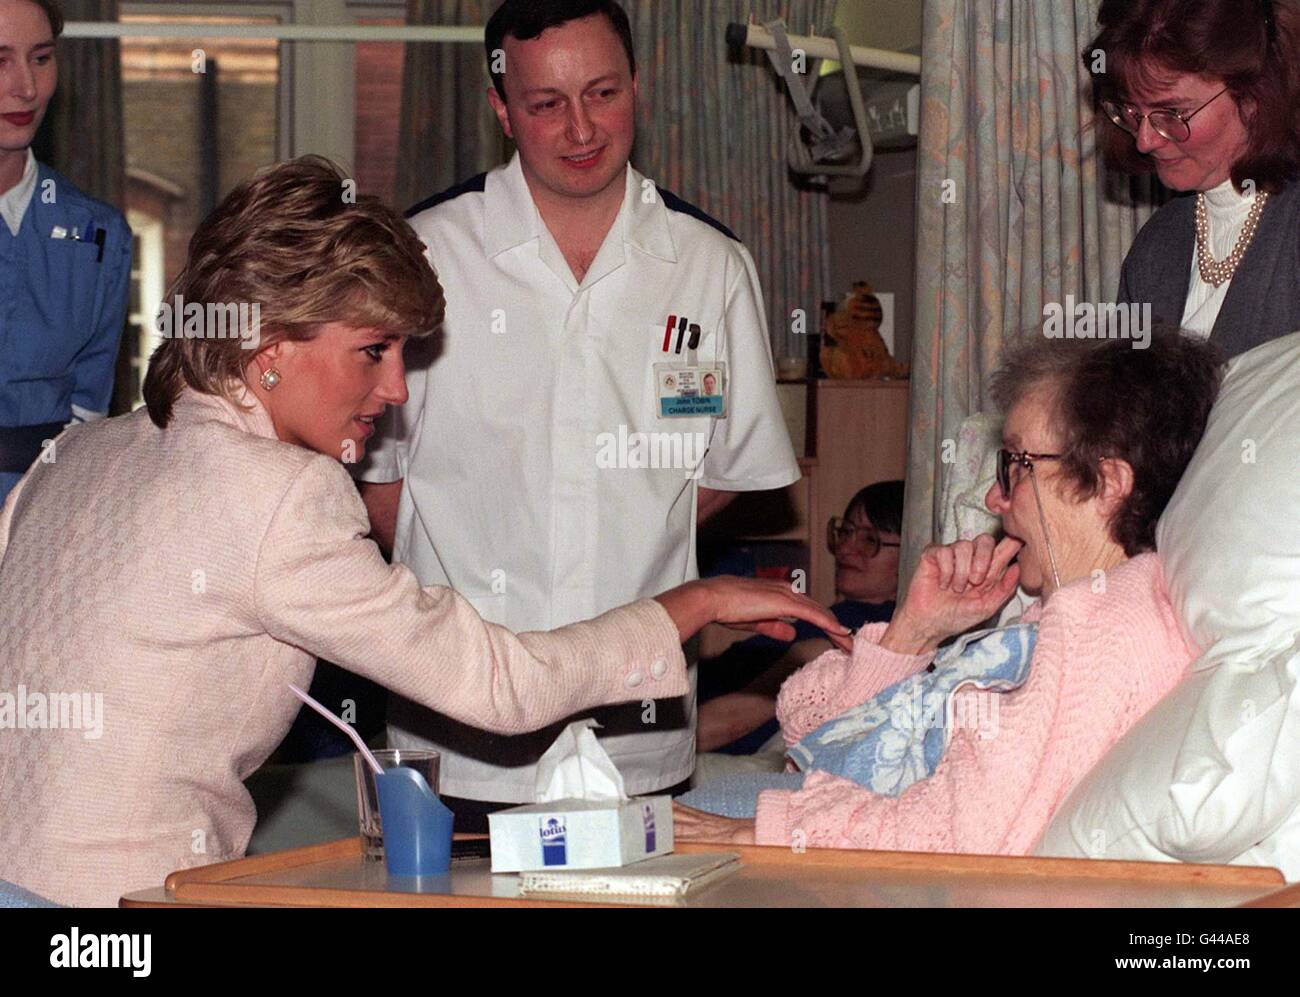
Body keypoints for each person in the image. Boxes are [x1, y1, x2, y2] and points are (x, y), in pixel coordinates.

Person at [0, 156, 849, 907]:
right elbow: (503, 688)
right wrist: (691, 603)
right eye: (374, 350)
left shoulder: (74, 452)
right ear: (268, 345)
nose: (399, 388)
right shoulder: (281, 492)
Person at [357, 0, 801, 829]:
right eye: (546, 104)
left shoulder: (710, 266)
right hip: (460, 733)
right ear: (501, 108)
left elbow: (716, 476)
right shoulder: (423, 257)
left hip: (637, 731)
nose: (581, 129)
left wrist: (625, 528)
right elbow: (382, 492)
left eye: (602, 93)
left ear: (639, 83)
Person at [673, 330, 1221, 851]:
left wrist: (767, 833)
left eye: (1015, 465)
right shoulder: (1059, 615)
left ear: (1107, 484)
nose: (992, 499)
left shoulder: (1107, 635)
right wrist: (914, 633)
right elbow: (817, 739)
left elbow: (962, 837)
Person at [1089, 0, 1300, 359]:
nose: (1144, 140)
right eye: (1130, 111)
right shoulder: (1156, 247)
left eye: (1172, 113)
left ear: (1254, 98)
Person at [0, 0, 130, 504]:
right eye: (0, 60)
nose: (27, 88)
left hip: (45, 514)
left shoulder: (97, 234)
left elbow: (88, 411)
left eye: (41, 58)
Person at [696, 481, 903, 754]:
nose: (844, 549)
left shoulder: (862, 637)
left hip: (703, 745)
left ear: (909, 553)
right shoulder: (829, 615)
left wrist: (647, 752)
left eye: (869, 540)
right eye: (846, 532)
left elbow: (735, 721)